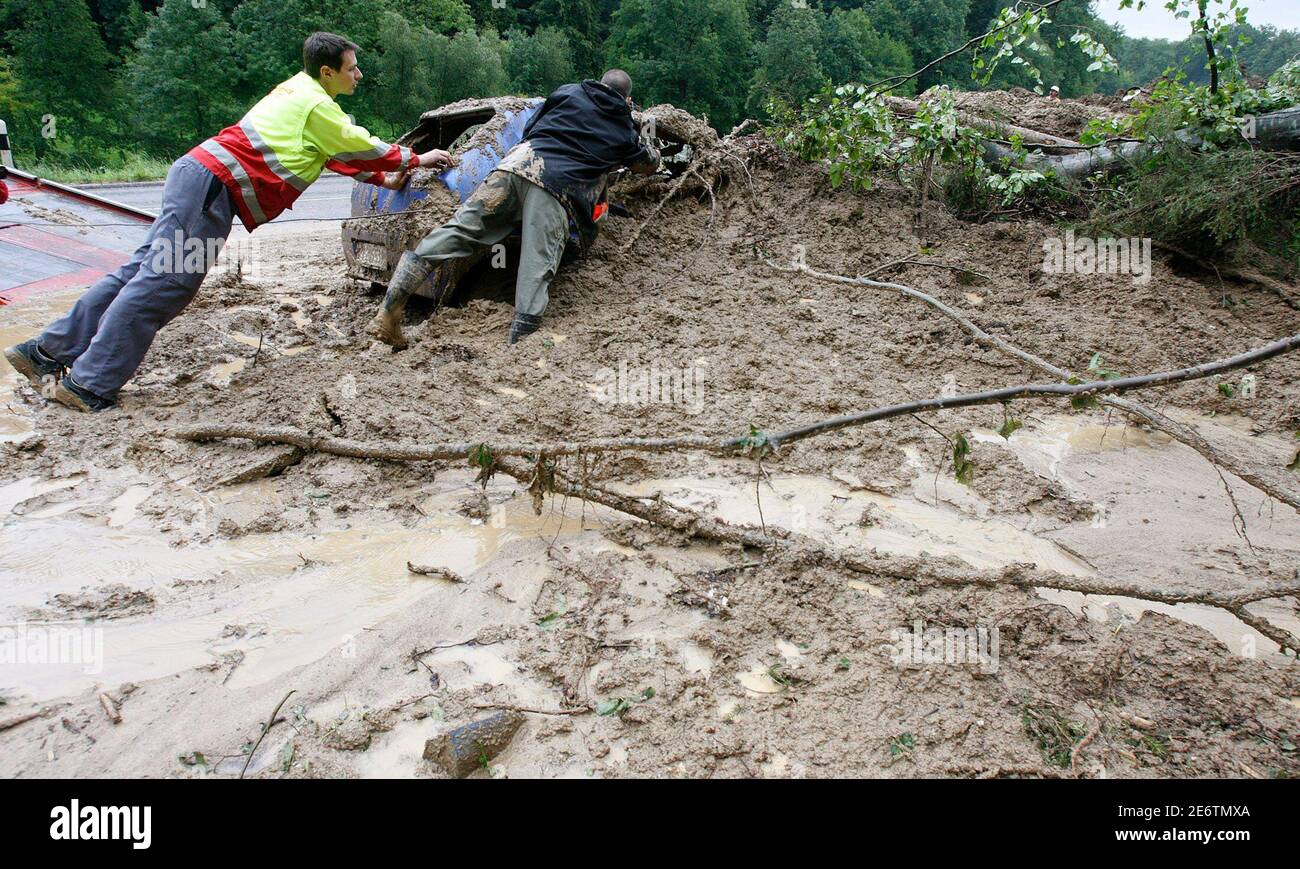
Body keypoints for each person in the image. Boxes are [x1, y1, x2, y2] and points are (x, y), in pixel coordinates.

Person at [3, 32, 450, 412]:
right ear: (327, 72)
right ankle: (88, 385)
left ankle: (44, 352)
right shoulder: (319, 105)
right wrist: (416, 157)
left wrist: (387, 177)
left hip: (198, 177)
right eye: (352, 68)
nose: (359, 76)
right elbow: (356, 142)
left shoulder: (296, 94)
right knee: (165, 283)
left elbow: (333, 155)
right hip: (212, 188)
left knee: (140, 273)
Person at [367, 69, 660, 348]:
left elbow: (531, 127)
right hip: (555, 185)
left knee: (456, 232)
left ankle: (390, 310)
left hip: (511, 167)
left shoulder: (568, 93)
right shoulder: (621, 122)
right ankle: (521, 344)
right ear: (627, 99)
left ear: (598, 83)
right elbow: (645, 163)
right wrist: (648, 140)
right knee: (537, 264)